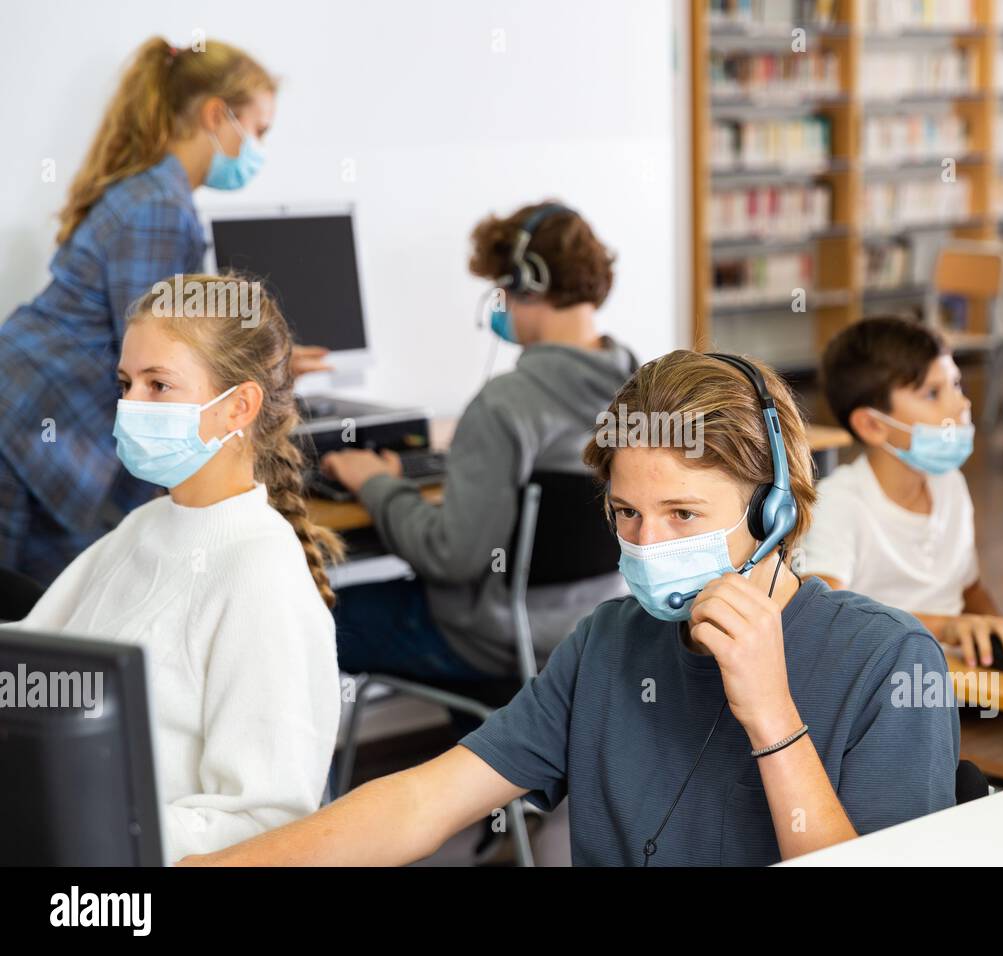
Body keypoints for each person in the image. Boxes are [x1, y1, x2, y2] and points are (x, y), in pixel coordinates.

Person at [181, 350, 959, 867]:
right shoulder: (611, 644)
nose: (647, 545)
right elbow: (423, 801)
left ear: (776, 514)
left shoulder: (888, 664)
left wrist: (772, 717)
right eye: (626, 514)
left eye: (683, 515)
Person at [5, 276, 341, 863]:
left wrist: (95, 825)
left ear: (238, 405)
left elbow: (266, 823)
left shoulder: (260, 575)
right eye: (126, 383)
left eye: (159, 385)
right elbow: (33, 659)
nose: (131, 405)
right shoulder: (147, 527)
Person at [0, 36, 327, 585]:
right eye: (259, 129)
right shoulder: (157, 208)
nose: (260, 148)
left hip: (32, 418)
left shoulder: (156, 193)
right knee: (38, 630)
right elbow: (163, 363)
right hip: (33, 432)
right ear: (215, 115)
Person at [320, 202, 636, 681]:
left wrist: (378, 485)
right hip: (598, 633)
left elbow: (451, 557)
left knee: (311, 617)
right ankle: (495, 743)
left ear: (527, 283)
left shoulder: (503, 407)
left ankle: (489, 738)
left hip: (494, 641)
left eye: (502, 289)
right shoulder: (647, 394)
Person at [802, 317, 1003, 667]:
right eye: (932, 393)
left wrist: (1001, 637)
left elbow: (969, 589)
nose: (960, 405)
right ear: (872, 425)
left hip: (953, 677)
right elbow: (824, 617)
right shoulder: (840, 503)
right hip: (883, 688)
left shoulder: (950, 485)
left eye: (956, 384)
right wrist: (945, 628)